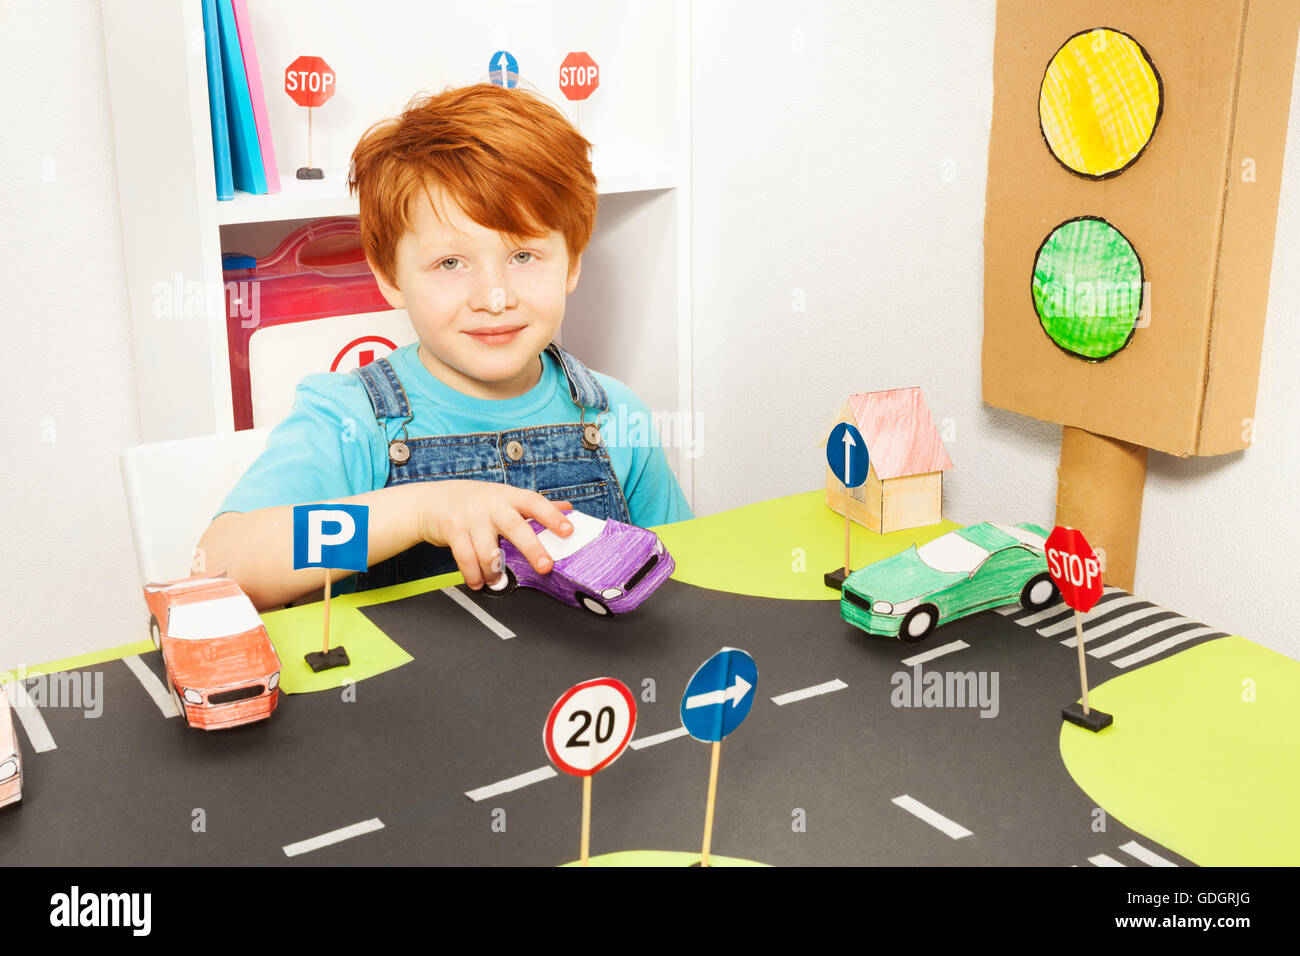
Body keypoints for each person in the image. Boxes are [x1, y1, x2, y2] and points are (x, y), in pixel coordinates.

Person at [197, 84, 692, 611]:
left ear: (572, 262)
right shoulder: (353, 423)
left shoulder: (616, 417)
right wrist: (417, 511)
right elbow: (222, 565)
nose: (493, 298)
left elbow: (685, 583)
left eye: (524, 255)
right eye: (449, 263)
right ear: (390, 277)